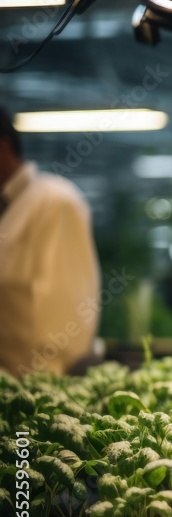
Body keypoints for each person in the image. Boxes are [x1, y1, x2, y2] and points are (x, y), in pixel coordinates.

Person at [0, 106, 100, 377]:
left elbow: (66, 312)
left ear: (4, 147)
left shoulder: (54, 202)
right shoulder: (10, 207)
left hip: (40, 387)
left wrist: (49, 385)